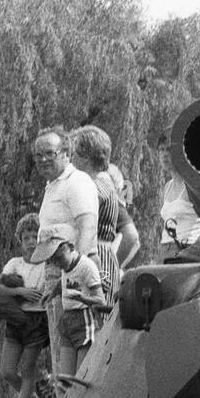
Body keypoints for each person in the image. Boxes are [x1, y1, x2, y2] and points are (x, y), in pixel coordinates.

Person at [34, 128, 98, 382]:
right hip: (57, 274)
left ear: (67, 153)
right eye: (38, 155)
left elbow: (87, 226)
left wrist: (76, 275)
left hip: (70, 273)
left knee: (76, 352)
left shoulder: (76, 182)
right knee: (62, 355)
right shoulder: (54, 186)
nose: (42, 160)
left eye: (49, 153)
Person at [0, 213, 49, 398]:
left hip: (37, 320)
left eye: (35, 237)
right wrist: (20, 292)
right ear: (20, 241)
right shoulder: (14, 264)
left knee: (27, 368)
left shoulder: (47, 263)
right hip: (16, 319)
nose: (31, 242)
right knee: (7, 371)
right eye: (27, 238)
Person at [31, 228, 107, 375]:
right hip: (67, 322)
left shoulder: (86, 267)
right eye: (53, 260)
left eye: (59, 258)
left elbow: (101, 302)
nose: (58, 264)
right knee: (66, 378)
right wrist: (52, 294)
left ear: (71, 247)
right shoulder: (65, 267)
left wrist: (82, 298)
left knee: (82, 375)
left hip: (84, 321)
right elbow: (65, 282)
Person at [70, 125, 121, 317]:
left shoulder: (98, 183)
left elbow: (83, 218)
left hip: (97, 254)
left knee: (96, 319)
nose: (71, 159)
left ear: (85, 156)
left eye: (73, 154)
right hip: (94, 254)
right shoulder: (97, 181)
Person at [108, 162, 141, 269]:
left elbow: (132, 237)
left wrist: (112, 267)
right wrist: (118, 267)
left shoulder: (112, 205)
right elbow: (136, 244)